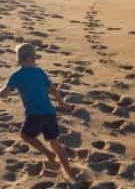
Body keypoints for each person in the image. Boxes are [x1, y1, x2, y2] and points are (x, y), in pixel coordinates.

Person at [0, 43, 77, 180]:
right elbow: (53, 89)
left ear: (20, 59)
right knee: (55, 143)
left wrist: (2, 91)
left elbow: (4, 94)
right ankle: (70, 173)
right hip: (50, 113)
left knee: (25, 136)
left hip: (34, 115)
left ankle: (48, 154)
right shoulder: (40, 72)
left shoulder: (16, 75)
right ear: (32, 58)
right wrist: (61, 102)